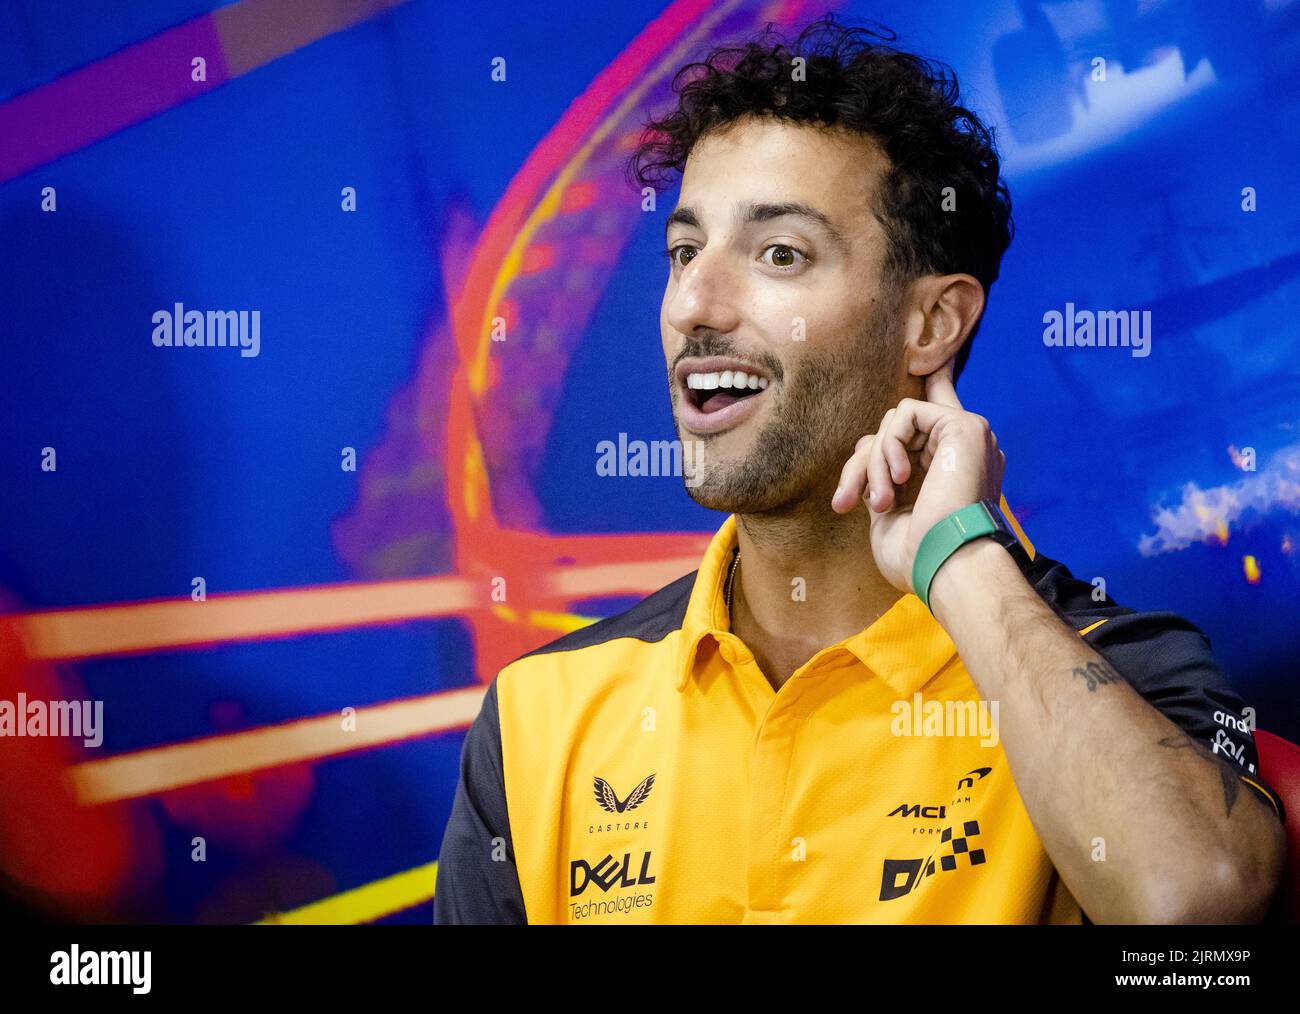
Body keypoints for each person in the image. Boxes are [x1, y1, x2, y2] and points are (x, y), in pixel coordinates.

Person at [434, 15, 1285, 924]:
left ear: (931, 326)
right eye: (684, 252)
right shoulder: (538, 714)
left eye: (780, 254)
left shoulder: (1125, 665)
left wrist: (958, 557)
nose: (693, 303)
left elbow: (1199, 910)